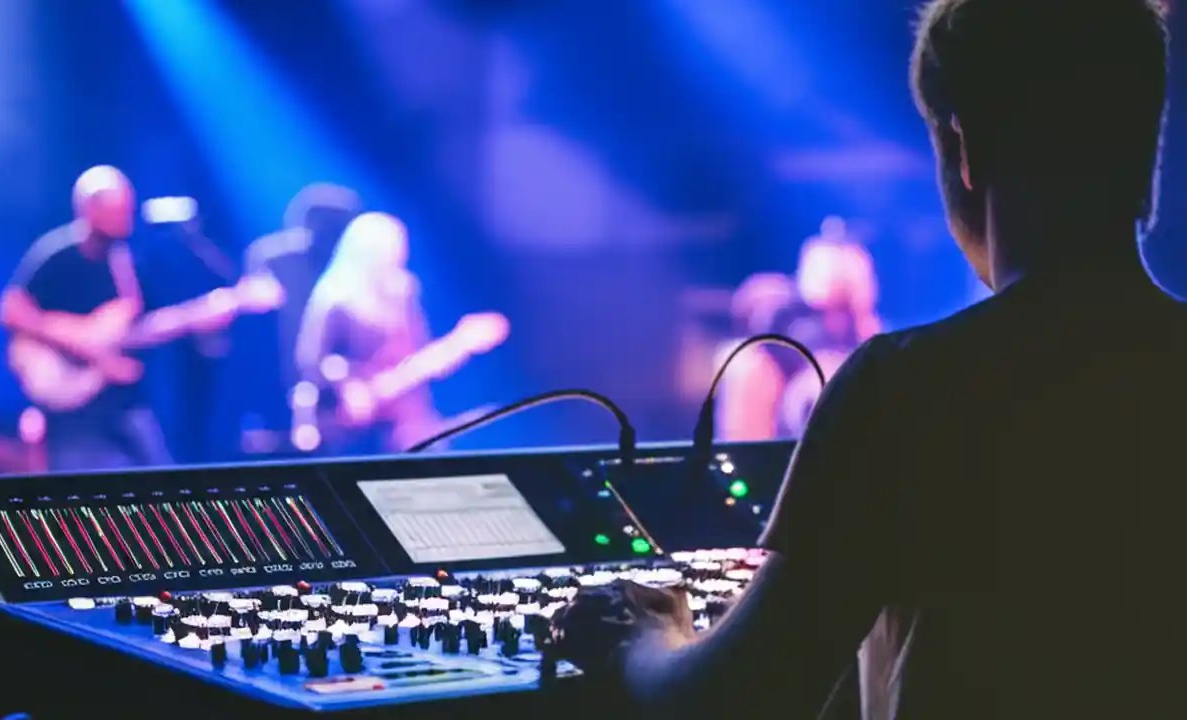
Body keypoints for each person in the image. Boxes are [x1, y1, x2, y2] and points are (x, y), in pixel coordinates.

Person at [553, 2, 1184, 719]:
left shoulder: (907, 388)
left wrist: (648, 636)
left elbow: (729, 699)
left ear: (966, 147)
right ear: (1146, 166)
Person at [0, 167, 243, 471]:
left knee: (160, 480)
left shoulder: (126, 259)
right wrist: (83, 345)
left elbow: (141, 327)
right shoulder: (58, 253)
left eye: (127, 206)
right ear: (89, 208)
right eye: (116, 208)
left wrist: (200, 316)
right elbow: (12, 311)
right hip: (73, 406)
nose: (125, 215)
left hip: (122, 401)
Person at [293, 212, 508, 455]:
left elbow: (417, 357)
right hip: (350, 427)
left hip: (404, 422)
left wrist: (459, 344)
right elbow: (312, 359)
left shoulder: (403, 292)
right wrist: (347, 384)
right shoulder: (335, 297)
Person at [718, 220, 883, 441]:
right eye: (820, 312)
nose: (833, 325)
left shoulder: (875, 347)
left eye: (844, 312)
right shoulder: (761, 364)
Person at [245, 183, 362, 399]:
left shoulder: (357, 264)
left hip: (340, 386)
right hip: (275, 379)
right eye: (322, 222)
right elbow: (253, 311)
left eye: (335, 226)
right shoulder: (276, 258)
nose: (327, 232)